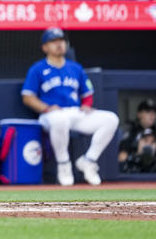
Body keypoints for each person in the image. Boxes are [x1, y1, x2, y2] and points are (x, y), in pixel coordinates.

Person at [21, 28, 120, 186]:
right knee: (60, 120)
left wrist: (87, 105)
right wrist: (46, 108)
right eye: (53, 41)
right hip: (51, 115)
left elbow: (87, 93)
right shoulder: (38, 69)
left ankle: (89, 160)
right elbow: (27, 97)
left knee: (111, 119)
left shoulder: (75, 68)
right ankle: (64, 164)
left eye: (61, 40)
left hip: (74, 112)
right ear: (45, 47)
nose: (59, 44)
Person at [119, 99, 156, 173]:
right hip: (135, 173)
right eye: (148, 112)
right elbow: (121, 157)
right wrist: (138, 155)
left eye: (154, 112)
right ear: (139, 114)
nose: (152, 115)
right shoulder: (130, 130)